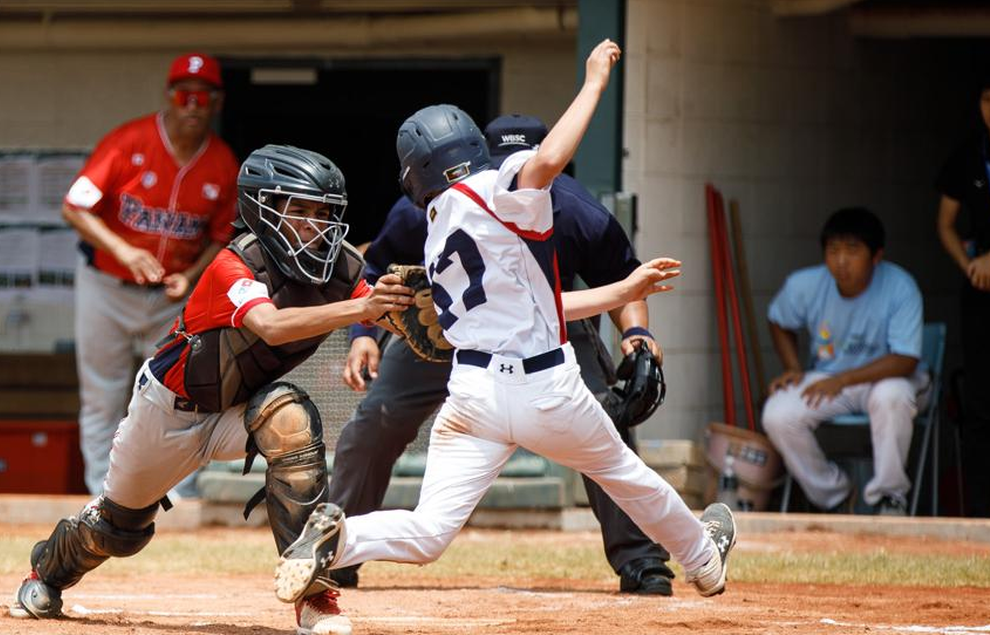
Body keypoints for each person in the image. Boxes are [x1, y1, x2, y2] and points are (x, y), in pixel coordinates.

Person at [273, 39, 736, 609]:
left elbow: (543, 304)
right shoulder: (497, 188)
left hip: (473, 397)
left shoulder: (436, 225)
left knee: (428, 531)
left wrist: (622, 291)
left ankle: (340, 538)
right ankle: (705, 561)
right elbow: (546, 163)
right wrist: (593, 82)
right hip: (548, 391)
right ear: (474, 149)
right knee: (625, 474)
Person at [11, 145, 412, 635]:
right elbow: (271, 326)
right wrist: (361, 312)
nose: (316, 224)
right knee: (118, 532)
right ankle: (46, 571)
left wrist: (415, 308)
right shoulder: (233, 264)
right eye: (299, 210)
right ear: (261, 209)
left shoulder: (341, 265)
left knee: (290, 418)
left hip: (235, 413)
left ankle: (315, 596)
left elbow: (381, 308)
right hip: (168, 412)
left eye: (324, 212)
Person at [327, 113, 675, 595]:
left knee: (603, 422)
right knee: (377, 417)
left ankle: (641, 559)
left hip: (551, 331)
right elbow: (374, 264)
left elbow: (622, 275)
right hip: (451, 333)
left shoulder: (574, 209)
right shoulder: (436, 204)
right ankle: (337, 546)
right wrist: (365, 332)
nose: (514, 171)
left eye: (528, 162)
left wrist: (637, 335)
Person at [64, 52, 240, 495]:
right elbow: (74, 205)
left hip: (170, 298)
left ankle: (172, 498)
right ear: (170, 97)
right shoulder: (129, 142)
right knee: (102, 397)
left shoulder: (222, 163)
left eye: (204, 96)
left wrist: (195, 276)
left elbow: (222, 236)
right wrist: (125, 251)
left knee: (174, 398)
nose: (194, 105)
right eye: (185, 95)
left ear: (217, 102)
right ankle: (100, 499)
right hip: (105, 286)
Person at [762, 207, 927, 516]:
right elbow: (777, 318)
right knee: (778, 413)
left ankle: (889, 498)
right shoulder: (806, 284)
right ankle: (835, 496)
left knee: (891, 396)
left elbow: (905, 359)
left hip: (888, 379)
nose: (841, 260)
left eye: (853, 250)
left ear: (876, 256)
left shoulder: (900, 286)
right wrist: (793, 367)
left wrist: (843, 380)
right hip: (830, 377)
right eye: (833, 250)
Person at [935, 74, 990, 518]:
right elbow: (944, 224)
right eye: (987, 99)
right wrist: (972, 267)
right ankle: (980, 515)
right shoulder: (969, 155)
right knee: (982, 403)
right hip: (984, 292)